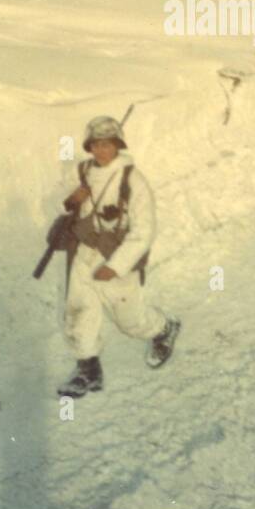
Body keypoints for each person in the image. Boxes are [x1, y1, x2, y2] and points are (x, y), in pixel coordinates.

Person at [56, 116, 180, 398]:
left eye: (108, 144)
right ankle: (88, 370)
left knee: (130, 322)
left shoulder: (133, 180)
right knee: (78, 311)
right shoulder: (84, 171)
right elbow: (64, 207)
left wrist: (114, 267)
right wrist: (72, 199)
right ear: (90, 147)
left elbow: (144, 231)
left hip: (117, 256)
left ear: (118, 145)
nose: (102, 151)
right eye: (97, 145)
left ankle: (163, 328)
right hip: (86, 251)